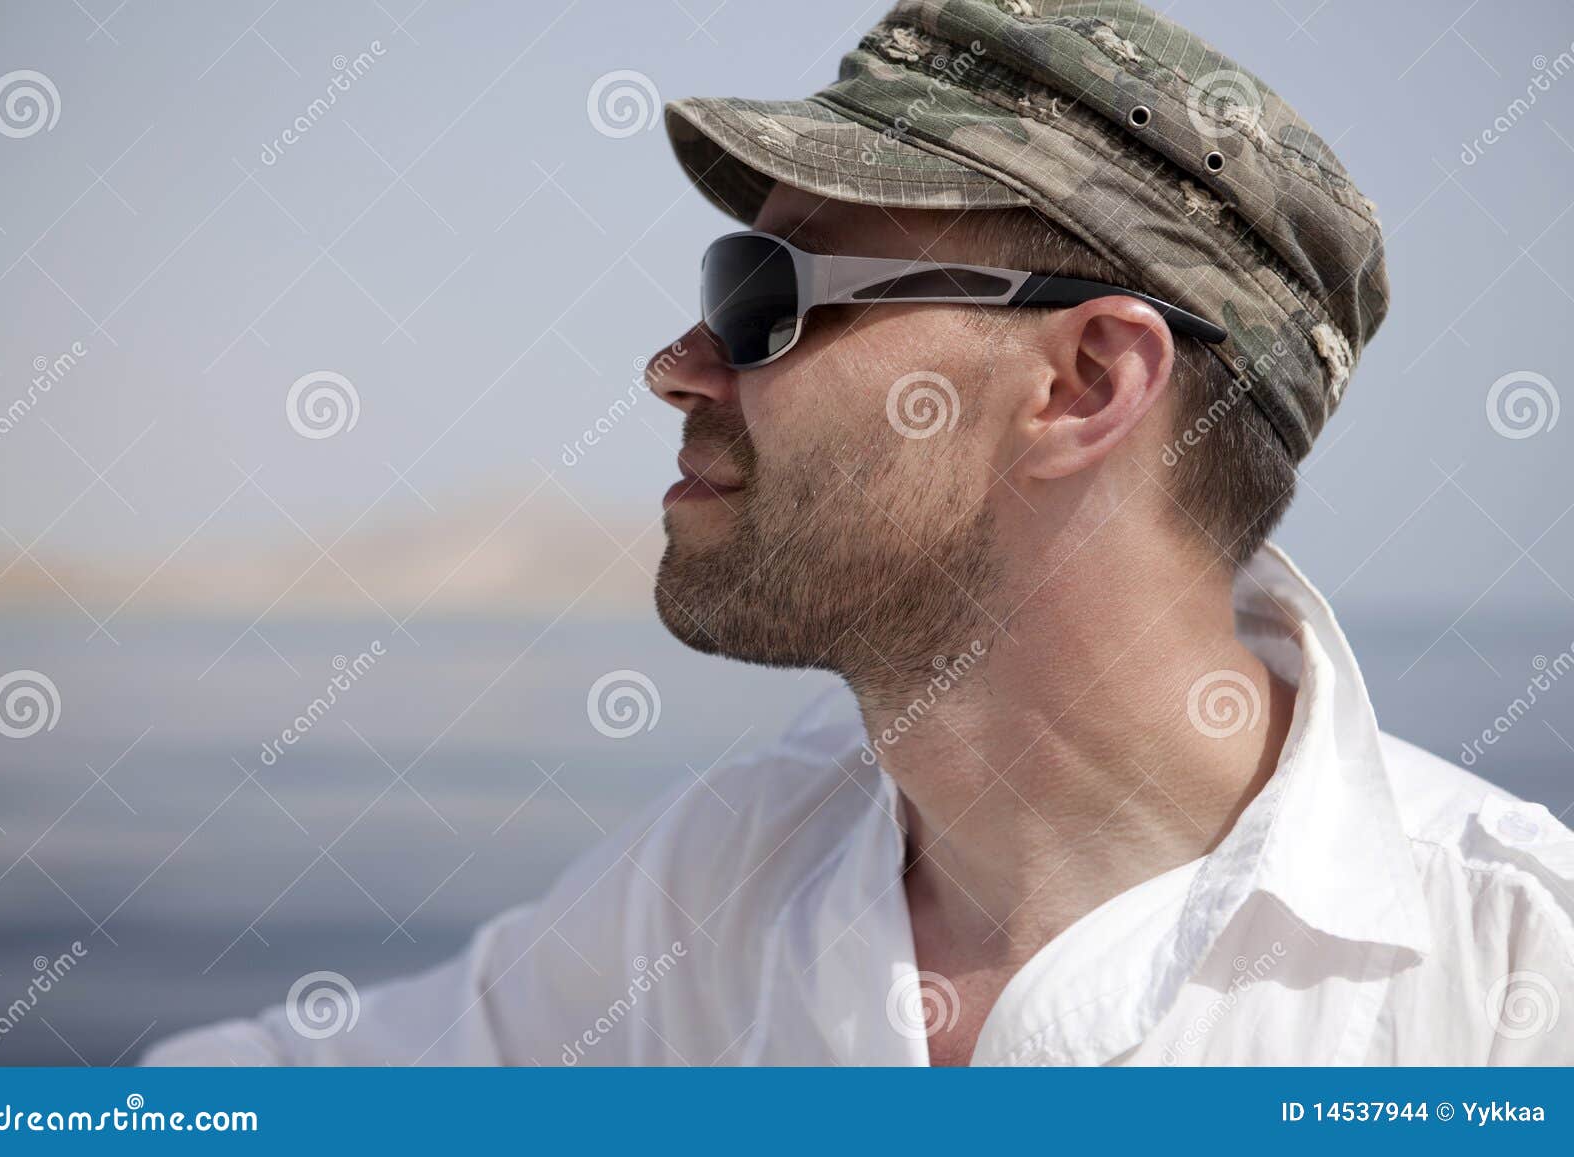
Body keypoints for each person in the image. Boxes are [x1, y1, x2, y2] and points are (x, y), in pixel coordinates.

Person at [147, 0, 1574, 1066]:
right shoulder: (720, 883)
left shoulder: (1516, 980)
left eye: (770, 289)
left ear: (1084, 383)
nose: (680, 362)